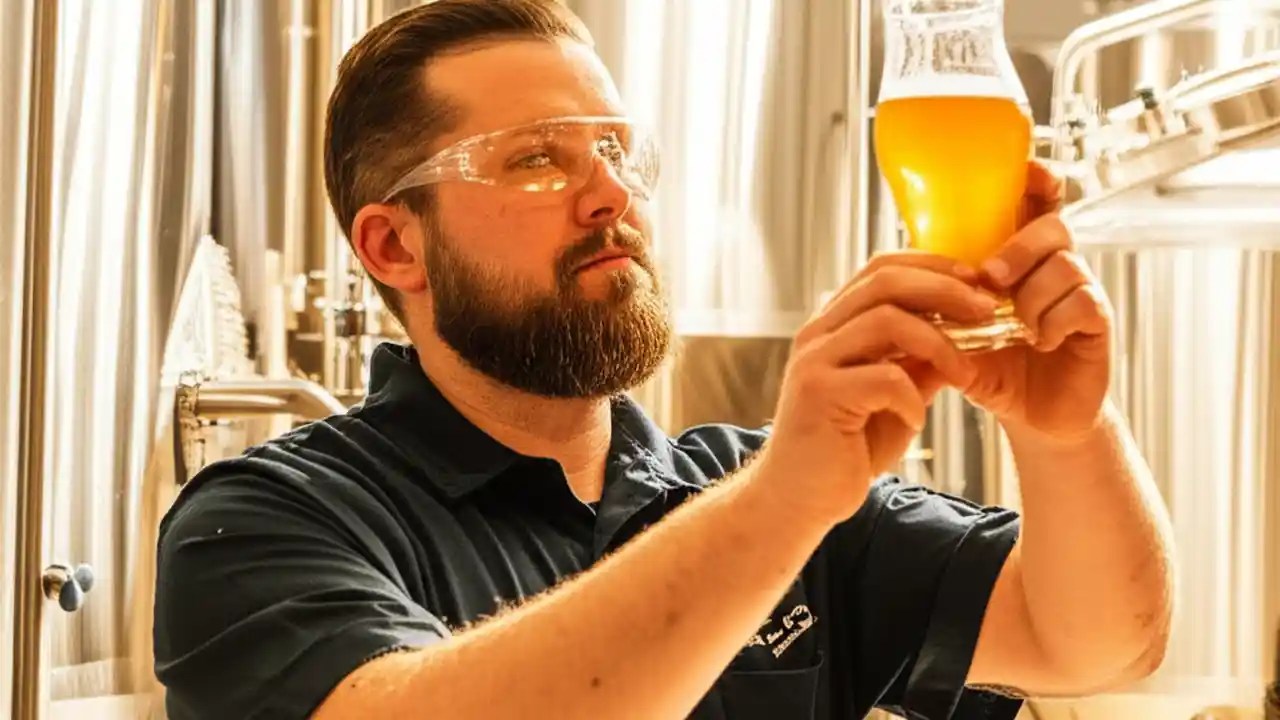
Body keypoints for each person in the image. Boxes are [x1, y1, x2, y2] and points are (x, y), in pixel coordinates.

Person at [151, 1, 1175, 718]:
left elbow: (1096, 641)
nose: (610, 197)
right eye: (539, 158)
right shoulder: (265, 523)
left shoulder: (751, 490)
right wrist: (778, 504)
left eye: (617, 152)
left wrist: (1065, 430)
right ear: (392, 246)